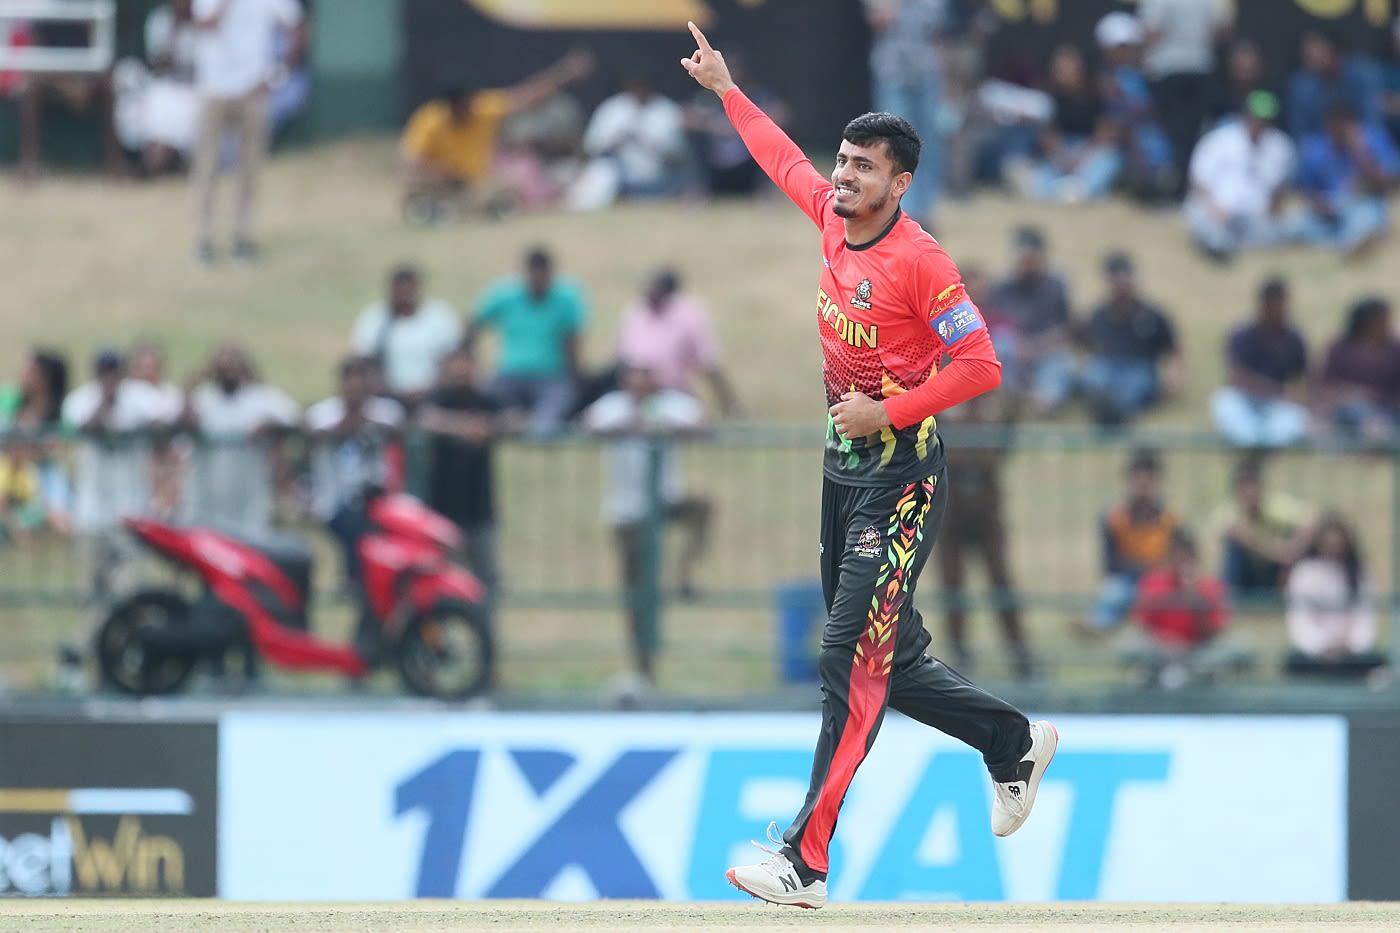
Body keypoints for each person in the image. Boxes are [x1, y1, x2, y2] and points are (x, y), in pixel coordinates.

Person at [680, 22, 1055, 909]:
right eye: (843, 160)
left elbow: (983, 365)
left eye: (863, 166)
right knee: (893, 658)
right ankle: (1012, 744)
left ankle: (805, 862)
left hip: (900, 479)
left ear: (901, 182)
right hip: (841, 470)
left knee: (849, 656)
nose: (843, 175)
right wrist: (727, 88)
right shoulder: (828, 217)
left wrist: (888, 409)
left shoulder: (921, 261)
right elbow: (783, 162)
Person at [583, 362, 712, 701]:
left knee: (702, 508)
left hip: (665, 500)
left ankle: (685, 570)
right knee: (637, 590)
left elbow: (700, 421)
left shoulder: (669, 403)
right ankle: (643, 665)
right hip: (627, 511)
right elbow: (589, 424)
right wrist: (631, 424)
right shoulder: (613, 406)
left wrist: (661, 425)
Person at [400, 50, 593, 222]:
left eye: (466, 105)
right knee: (416, 187)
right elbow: (411, 162)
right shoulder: (429, 120)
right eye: (458, 107)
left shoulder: (482, 109)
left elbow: (527, 96)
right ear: (447, 106)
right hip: (442, 183)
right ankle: (447, 210)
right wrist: (444, 174)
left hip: (475, 185)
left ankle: (452, 212)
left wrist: (566, 72)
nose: (464, 111)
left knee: (504, 188)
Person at [190, 0, 307, 264]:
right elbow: (205, 24)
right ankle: (204, 239)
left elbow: (297, 26)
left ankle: (242, 238)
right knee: (207, 167)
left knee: (250, 169)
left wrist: (279, 73)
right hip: (213, 88)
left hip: (253, 90)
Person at [418, 345, 510, 671]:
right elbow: (426, 419)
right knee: (435, 592)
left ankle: (488, 664)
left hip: (479, 511)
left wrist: (490, 428)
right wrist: (464, 428)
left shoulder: (485, 400)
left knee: (486, 589)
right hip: (442, 515)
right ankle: (433, 659)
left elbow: (514, 419)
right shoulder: (438, 400)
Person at [61, 350, 175, 603]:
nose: (109, 377)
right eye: (104, 371)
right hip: (91, 513)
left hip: (132, 512)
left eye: (114, 371)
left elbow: (164, 429)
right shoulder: (80, 399)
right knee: (93, 590)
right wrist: (106, 400)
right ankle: (92, 641)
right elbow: (85, 427)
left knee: (130, 590)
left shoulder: (142, 397)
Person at [933, 389, 1033, 678]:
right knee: (952, 584)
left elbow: (1002, 445)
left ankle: (1020, 655)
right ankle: (960, 655)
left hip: (986, 505)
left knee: (1000, 581)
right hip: (951, 505)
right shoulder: (945, 408)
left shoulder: (992, 407)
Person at [466, 247, 588, 438]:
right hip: (508, 377)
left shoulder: (567, 297)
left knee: (546, 425)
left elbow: (572, 343)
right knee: (483, 407)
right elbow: (472, 325)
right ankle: (512, 421)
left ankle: (530, 425)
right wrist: (472, 363)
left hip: (552, 377)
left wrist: (578, 382)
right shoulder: (505, 294)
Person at [181, 344, 299, 537]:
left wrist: (270, 426)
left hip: (249, 503)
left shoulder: (261, 399)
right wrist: (188, 392)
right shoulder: (203, 398)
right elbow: (183, 426)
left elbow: (297, 422)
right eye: (222, 367)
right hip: (206, 502)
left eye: (232, 366)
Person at [305, 357, 405, 585]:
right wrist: (349, 424)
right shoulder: (323, 413)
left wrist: (367, 422)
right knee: (353, 531)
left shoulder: (386, 412)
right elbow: (314, 434)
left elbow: (398, 432)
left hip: (377, 495)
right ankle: (355, 580)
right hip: (333, 498)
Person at [1123, 529, 1250, 689]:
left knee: (1239, 647)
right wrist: (1168, 644)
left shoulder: (1211, 587)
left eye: (1188, 555)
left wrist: (1194, 597)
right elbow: (1144, 626)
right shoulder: (1153, 583)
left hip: (1199, 651)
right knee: (1131, 646)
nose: (1183, 561)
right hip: (1163, 650)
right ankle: (1166, 674)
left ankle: (1197, 675)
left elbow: (1213, 633)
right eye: (1178, 555)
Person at [863, 0, 951, 228]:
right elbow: (879, 20)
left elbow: (941, 34)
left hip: (928, 74)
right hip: (893, 73)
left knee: (930, 143)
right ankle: (902, 209)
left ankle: (926, 208)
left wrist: (946, 81)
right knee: (895, 144)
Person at [1184, 91, 1296, 263]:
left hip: (1254, 219)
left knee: (1287, 229)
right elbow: (1198, 181)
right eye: (1256, 118)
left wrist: (1271, 213)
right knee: (1208, 228)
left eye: (1265, 120)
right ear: (1246, 116)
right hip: (1219, 213)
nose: (1260, 124)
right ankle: (1219, 249)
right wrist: (1215, 209)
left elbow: (1280, 189)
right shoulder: (1220, 140)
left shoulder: (1280, 146)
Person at [1137, 0, 1233, 197]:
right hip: (1200, 67)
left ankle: (1174, 188)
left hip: (1166, 69)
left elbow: (1151, 32)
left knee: (1171, 133)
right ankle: (1186, 187)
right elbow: (1222, 30)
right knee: (1192, 134)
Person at [14, 16, 126, 184]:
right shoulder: (43, 17)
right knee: (29, 89)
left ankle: (114, 165)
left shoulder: (90, 12)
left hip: (86, 80)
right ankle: (29, 165)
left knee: (109, 87)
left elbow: (101, 59)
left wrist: (82, 83)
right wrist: (67, 85)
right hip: (54, 82)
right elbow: (37, 62)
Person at [1077, 252, 1183, 426]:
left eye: (1125, 279)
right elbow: (1082, 347)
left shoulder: (1153, 315)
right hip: (1107, 364)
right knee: (1096, 377)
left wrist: (1173, 378)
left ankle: (1116, 413)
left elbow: (1175, 351)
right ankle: (1109, 410)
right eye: (1116, 280)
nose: (1121, 286)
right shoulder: (1098, 315)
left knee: (1135, 383)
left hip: (1140, 366)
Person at [615, 268, 739, 413]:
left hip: (672, 392)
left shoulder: (688, 315)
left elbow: (709, 364)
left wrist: (730, 404)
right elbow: (623, 356)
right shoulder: (636, 310)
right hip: (633, 396)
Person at [1284, 514, 1389, 683]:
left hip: (1351, 653)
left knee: (1378, 661)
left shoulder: (1359, 573)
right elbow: (1301, 620)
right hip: (1317, 654)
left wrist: (1350, 646)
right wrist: (1324, 647)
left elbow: (1365, 618)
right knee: (1294, 662)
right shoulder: (1305, 572)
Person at [1209, 277, 1310, 448]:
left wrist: (1291, 396)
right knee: (1224, 402)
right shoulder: (1242, 334)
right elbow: (1236, 377)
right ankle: (1251, 447)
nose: (1279, 309)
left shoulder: (1293, 338)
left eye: (1283, 302)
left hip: (1277, 404)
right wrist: (1271, 390)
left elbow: (1304, 379)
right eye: (1275, 303)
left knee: (1296, 419)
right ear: (1263, 303)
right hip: (1245, 400)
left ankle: (1263, 448)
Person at [1294, 103, 1400, 258]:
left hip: (1364, 204)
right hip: (1329, 214)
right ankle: (1344, 242)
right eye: (1332, 127)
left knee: (1366, 218)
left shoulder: (1374, 139)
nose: (1337, 132)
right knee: (1297, 226)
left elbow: (1391, 183)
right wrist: (1320, 206)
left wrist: (1360, 151)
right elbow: (1307, 191)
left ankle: (1350, 243)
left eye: (1341, 127)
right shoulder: (1315, 148)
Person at [350, 265, 462, 409]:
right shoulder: (375, 319)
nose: (404, 294)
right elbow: (365, 361)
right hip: (386, 398)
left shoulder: (439, 317)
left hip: (435, 397)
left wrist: (431, 390)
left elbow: (453, 361)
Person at [989, 226, 1074, 416]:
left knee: (1059, 361)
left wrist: (1035, 346)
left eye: (1031, 258)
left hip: (1046, 349)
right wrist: (1018, 344)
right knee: (1002, 348)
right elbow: (993, 325)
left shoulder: (1056, 286)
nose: (1026, 263)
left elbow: (1066, 330)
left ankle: (1045, 403)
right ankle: (1009, 398)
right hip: (1013, 350)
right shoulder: (1002, 287)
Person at [571, 74, 690, 208]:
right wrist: (615, 141)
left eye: (643, 86)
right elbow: (590, 148)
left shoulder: (666, 109)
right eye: (635, 86)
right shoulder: (613, 108)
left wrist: (649, 144)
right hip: (618, 175)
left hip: (657, 175)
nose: (639, 91)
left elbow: (679, 155)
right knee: (605, 169)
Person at [1091, 449, 1178, 632]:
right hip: (1127, 580)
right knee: (1115, 592)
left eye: (1149, 477)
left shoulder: (1170, 519)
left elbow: (1178, 561)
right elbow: (1109, 565)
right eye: (1138, 477)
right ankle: (1099, 625)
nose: (1143, 483)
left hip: (1160, 581)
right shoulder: (1114, 517)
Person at [112, 0, 200, 177]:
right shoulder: (161, 19)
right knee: (128, 77)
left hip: (194, 89)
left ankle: (176, 161)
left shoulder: (203, 21)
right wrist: (176, 30)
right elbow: (158, 63)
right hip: (162, 85)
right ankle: (137, 163)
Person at [1212, 455, 1316, 603]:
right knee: (1235, 544)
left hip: (1276, 571)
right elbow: (1240, 535)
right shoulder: (1230, 513)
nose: (1250, 491)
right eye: (1244, 486)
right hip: (1248, 573)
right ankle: (1231, 598)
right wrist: (1280, 553)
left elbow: (1311, 520)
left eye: (1253, 485)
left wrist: (1293, 549)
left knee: (1294, 535)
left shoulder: (1276, 506)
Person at [1316, 296, 1400, 444]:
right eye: (1383, 319)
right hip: (1348, 410)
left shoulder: (1394, 349)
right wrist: (1355, 393)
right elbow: (1324, 387)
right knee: (1355, 409)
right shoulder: (1341, 348)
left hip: (1389, 410)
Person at [1288, 29, 1384, 140]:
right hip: (1323, 146)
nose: (1310, 58)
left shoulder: (1363, 73)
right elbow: (1300, 134)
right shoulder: (1302, 85)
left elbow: (1373, 120)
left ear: (1333, 49)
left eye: (1316, 51)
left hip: (1362, 139)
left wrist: (1354, 139)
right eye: (1307, 55)